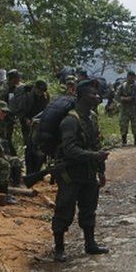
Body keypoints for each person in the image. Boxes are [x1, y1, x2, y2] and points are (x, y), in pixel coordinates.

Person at [52, 79, 111, 262]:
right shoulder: (70, 121)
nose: (97, 96)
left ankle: (90, 243)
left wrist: (101, 170)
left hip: (88, 172)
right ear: (82, 96)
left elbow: (96, 144)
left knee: (88, 208)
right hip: (70, 174)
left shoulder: (92, 117)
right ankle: (59, 249)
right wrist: (94, 156)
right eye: (92, 94)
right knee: (64, 210)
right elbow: (70, 150)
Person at [10, 80, 49, 177]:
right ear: (35, 88)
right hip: (27, 123)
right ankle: (29, 173)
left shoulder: (45, 97)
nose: (40, 93)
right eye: (39, 91)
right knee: (29, 146)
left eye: (42, 92)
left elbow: (46, 110)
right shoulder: (26, 95)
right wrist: (25, 119)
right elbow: (20, 110)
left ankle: (36, 172)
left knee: (39, 148)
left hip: (39, 124)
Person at [118, 71, 136, 146]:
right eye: (130, 77)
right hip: (125, 109)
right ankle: (124, 142)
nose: (131, 78)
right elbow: (117, 96)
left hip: (135, 109)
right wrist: (124, 99)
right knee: (123, 125)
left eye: (132, 77)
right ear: (127, 77)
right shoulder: (123, 85)